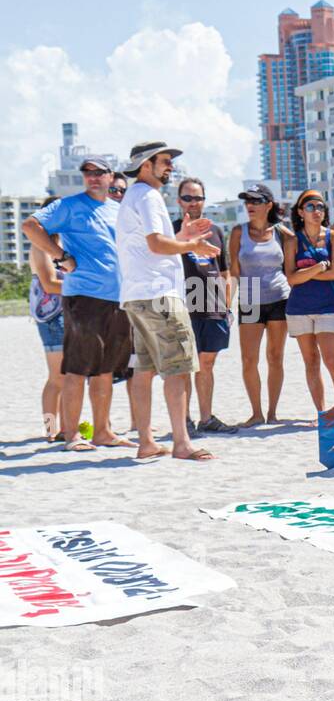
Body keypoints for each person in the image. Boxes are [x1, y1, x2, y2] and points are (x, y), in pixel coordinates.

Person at [22, 155, 134, 451]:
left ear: (111, 177)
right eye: (87, 172)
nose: (93, 177)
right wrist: (60, 256)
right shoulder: (69, 206)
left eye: (99, 172)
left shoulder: (117, 209)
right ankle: (71, 435)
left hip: (117, 298)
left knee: (106, 370)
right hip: (84, 297)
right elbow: (30, 226)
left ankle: (102, 432)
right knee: (76, 369)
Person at [115, 141, 219, 461]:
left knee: (144, 370)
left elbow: (153, 245)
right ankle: (183, 443)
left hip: (137, 294)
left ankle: (147, 442)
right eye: (164, 160)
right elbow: (157, 245)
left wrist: (183, 239)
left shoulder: (134, 196)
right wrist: (191, 247)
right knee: (178, 369)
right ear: (146, 164)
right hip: (159, 293)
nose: (170, 165)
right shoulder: (147, 195)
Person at [173, 177, 237, 434]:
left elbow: (225, 272)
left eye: (197, 197)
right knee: (185, 365)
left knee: (207, 363)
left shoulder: (217, 231)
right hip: (183, 306)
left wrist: (227, 305)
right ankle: (184, 419)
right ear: (179, 201)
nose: (192, 202)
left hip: (213, 306)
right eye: (187, 197)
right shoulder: (171, 230)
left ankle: (206, 417)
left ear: (204, 200)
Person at [227, 184, 291, 426]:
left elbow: (292, 266)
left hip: (279, 299)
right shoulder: (237, 232)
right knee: (248, 360)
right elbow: (233, 272)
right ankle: (256, 413)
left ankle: (272, 413)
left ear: (268, 205)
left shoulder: (282, 233)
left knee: (275, 357)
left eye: (255, 201)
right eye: (247, 201)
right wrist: (227, 305)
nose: (250, 206)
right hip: (250, 299)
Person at [285, 190, 334, 412]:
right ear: (300, 212)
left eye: (320, 207)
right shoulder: (293, 240)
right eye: (311, 207)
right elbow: (292, 279)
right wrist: (316, 268)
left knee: (332, 360)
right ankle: (321, 412)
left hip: (327, 305)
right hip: (298, 308)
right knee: (311, 362)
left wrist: (305, 272)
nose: (317, 211)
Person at [27, 197, 64, 441]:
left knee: (70, 377)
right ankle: (51, 429)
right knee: (56, 377)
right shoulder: (40, 245)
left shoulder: (61, 242)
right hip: (52, 316)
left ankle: (65, 427)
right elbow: (50, 285)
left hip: (69, 313)